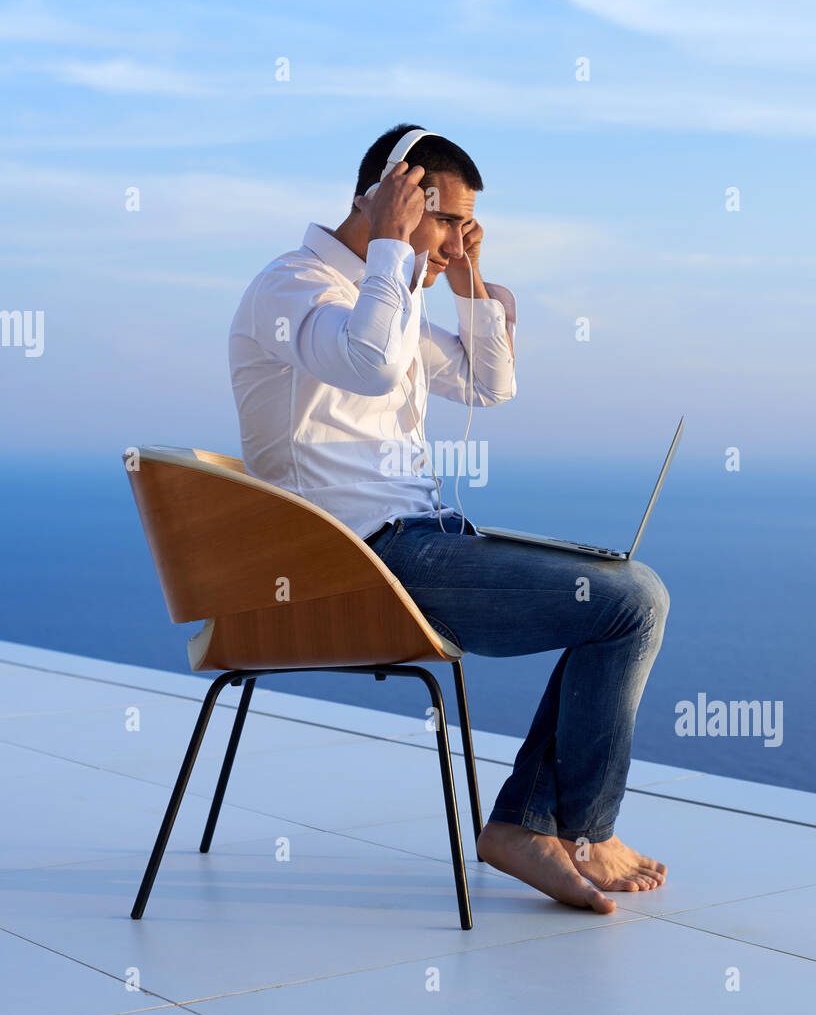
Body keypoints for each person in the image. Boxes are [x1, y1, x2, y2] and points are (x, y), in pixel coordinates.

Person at [229, 123, 669, 914]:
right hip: (352, 564)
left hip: (416, 546)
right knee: (629, 603)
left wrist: (466, 279)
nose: (456, 238)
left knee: (619, 590)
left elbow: (484, 384)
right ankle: (571, 831)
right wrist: (396, 249)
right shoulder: (292, 287)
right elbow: (365, 365)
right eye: (447, 219)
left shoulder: (384, 295)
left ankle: (530, 825)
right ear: (395, 195)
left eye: (468, 224)